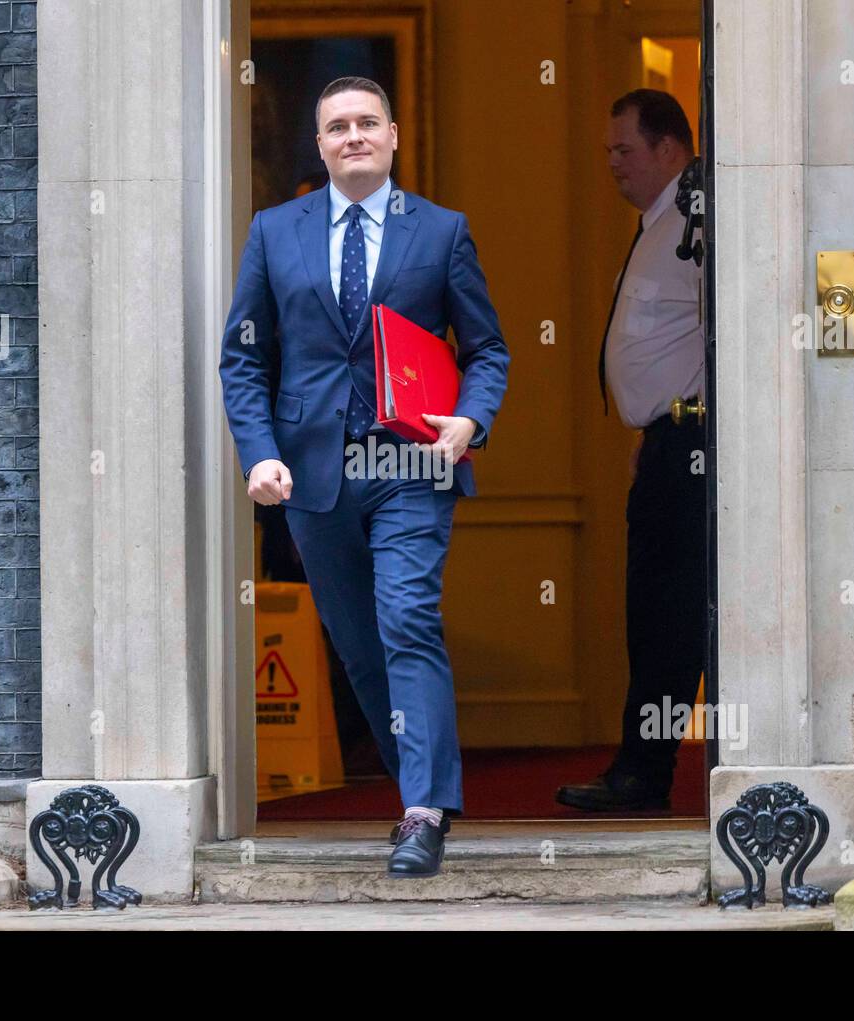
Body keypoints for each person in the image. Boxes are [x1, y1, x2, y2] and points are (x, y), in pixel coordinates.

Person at [219, 76, 509, 876]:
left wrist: (470, 418)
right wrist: (259, 452)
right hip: (313, 472)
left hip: (411, 463)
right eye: (337, 126)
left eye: (366, 123)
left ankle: (420, 811)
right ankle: (426, 788)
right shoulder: (275, 232)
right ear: (320, 144)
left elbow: (487, 348)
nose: (353, 136)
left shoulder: (442, 232)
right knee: (358, 645)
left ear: (391, 138)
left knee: (408, 618)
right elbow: (243, 355)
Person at [556, 88, 706, 813]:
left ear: (668, 148)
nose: (613, 165)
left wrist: (691, 424)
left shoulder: (697, 217)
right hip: (669, 443)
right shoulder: (661, 219)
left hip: (695, 445)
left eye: (625, 150)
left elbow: (725, 329)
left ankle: (644, 774)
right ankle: (640, 769)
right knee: (654, 611)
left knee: (669, 615)